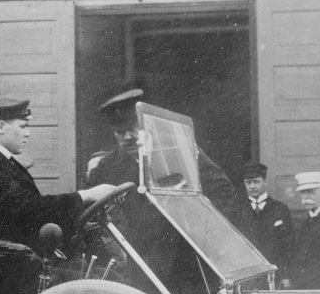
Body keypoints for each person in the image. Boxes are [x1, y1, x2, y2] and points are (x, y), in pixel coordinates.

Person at [85, 88, 253, 238]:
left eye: (133, 128)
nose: (128, 137)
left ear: (145, 123)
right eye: (120, 132)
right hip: (138, 258)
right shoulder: (107, 167)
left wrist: (208, 234)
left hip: (183, 252)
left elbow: (223, 192)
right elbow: (91, 214)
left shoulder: (179, 150)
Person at [0, 97, 116, 249]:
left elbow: (30, 207)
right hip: (10, 266)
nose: (28, 133)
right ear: (0, 127)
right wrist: (85, 195)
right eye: (23, 126)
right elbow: (31, 211)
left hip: (20, 256)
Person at [243, 163, 293, 279]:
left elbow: (288, 244)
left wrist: (286, 276)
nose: (252, 186)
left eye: (256, 182)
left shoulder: (280, 209)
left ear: (265, 182)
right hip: (248, 275)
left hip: (275, 272)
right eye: (248, 182)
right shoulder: (239, 210)